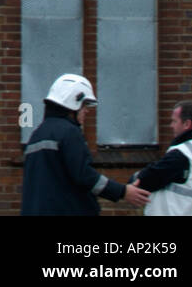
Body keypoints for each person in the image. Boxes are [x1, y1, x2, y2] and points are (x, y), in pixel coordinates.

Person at [21, 73, 150, 215]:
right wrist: (122, 191)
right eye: (84, 105)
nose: (87, 110)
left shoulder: (36, 136)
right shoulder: (69, 132)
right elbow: (84, 176)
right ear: (73, 103)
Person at [131, 100, 192, 216]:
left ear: (186, 124)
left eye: (174, 121)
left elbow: (146, 181)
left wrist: (136, 177)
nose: (171, 125)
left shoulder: (183, 154)